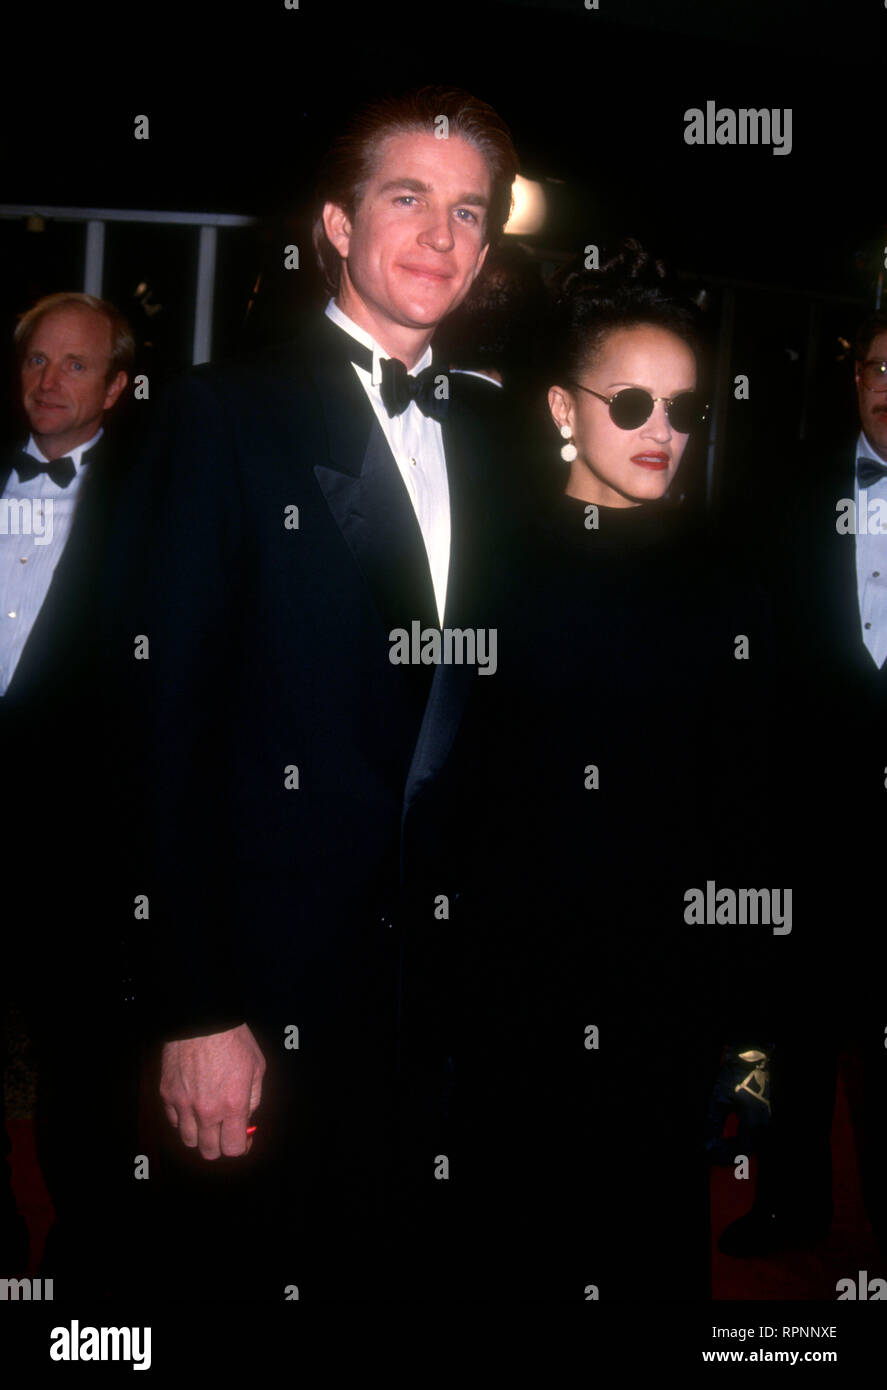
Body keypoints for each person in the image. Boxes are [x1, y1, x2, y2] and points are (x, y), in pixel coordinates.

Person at [103, 85, 521, 1301]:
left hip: (445, 1001)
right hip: (269, 989)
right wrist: (194, 1007)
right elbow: (156, 724)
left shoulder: (499, 436)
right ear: (336, 224)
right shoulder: (219, 415)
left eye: (467, 213)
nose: (441, 238)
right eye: (407, 200)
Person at [448, 243, 775, 1299]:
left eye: (681, 411)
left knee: (642, 1252)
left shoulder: (726, 583)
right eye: (630, 402)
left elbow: (749, 821)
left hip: (661, 994)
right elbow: (441, 783)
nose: (660, 434)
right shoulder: (477, 566)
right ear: (560, 407)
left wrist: (746, 1042)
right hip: (507, 991)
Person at [715, 311, 887, 1263]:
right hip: (803, 822)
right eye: (877, 365)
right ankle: (787, 1205)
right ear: (853, 375)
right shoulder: (780, 498)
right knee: (788, 1032)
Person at [0, 292, 136, 1288]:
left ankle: (89, 1268)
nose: (49, 381)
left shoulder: (148, 502)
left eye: (75, 365)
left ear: (117, 387)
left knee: (83, 1065)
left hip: (79, 834)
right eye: (37, 360)